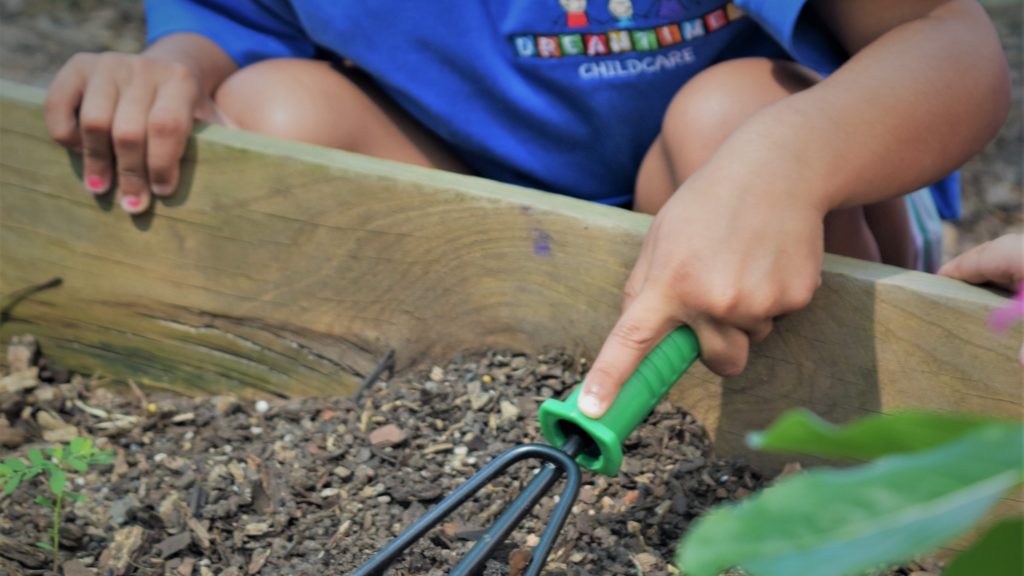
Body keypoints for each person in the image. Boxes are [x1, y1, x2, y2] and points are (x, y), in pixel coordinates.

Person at [43, 1, 1009, 419]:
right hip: (514, 226)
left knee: (729, 118)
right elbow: (227, 30)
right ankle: (448, 386)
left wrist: (786, 166)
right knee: (274, 115)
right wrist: (166, 73)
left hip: (770, 206)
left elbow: (949, 43)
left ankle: (796, 465)